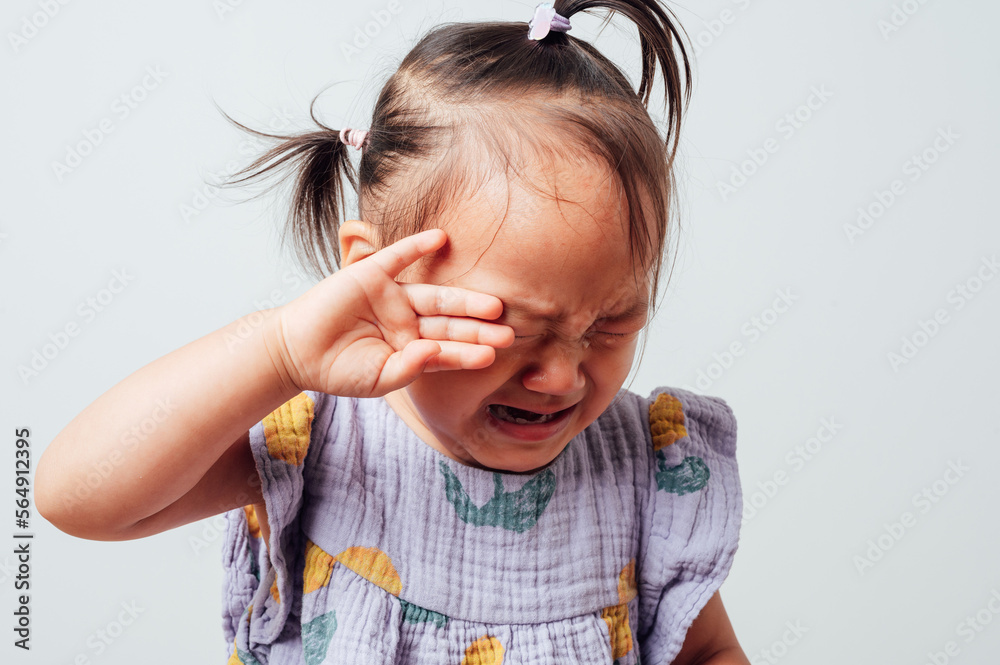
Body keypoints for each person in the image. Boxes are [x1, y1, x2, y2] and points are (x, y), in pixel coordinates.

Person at [36, 1, 749, 663]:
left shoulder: (643, 470)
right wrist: (278, 350)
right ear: (378, 276)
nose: (562, 376)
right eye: (508, 325)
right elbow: (79, 497)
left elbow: (708, 650)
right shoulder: (322, 440)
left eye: (610, 325)